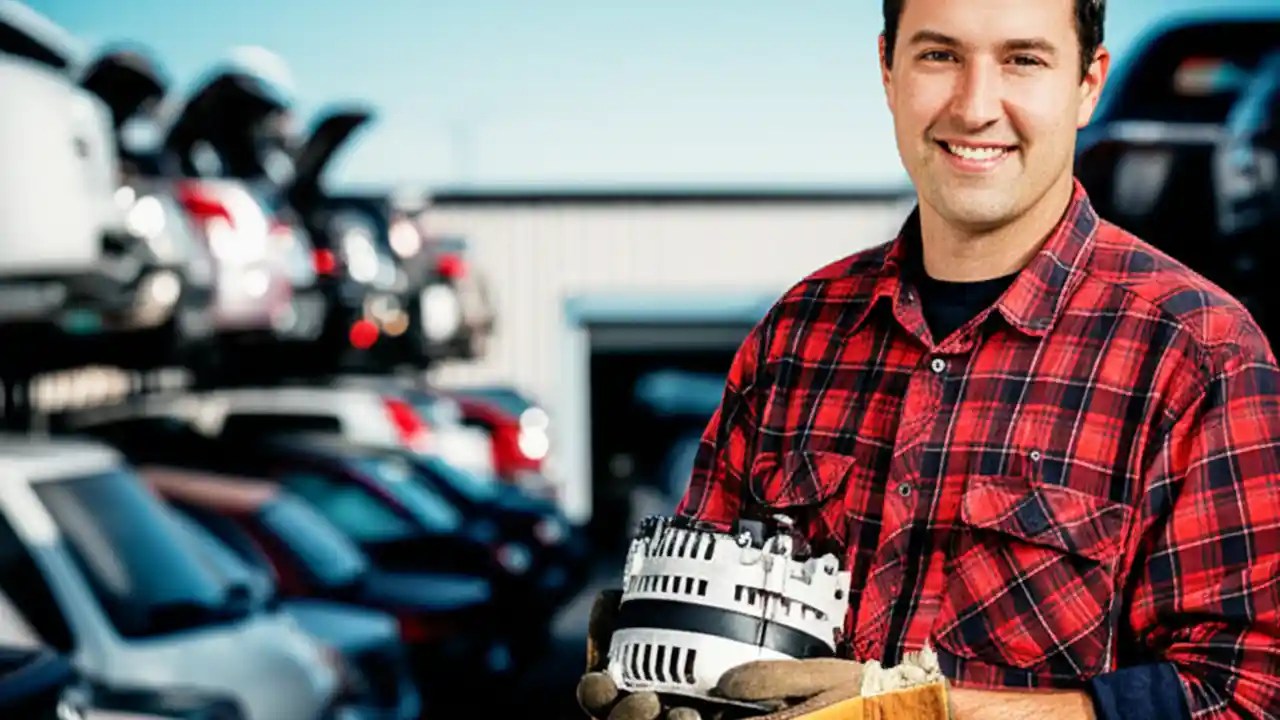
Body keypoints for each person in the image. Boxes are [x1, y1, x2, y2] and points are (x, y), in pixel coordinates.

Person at [578, 0, 1280, 718]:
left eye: (1023, 59)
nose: (975, 108)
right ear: (888, 71)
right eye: (939, 55)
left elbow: (1244, 696)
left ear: (1087, 85)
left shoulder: (1199, 355)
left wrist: (925, 711)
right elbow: (709, 600)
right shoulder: (796, 335)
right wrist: (665, 658)